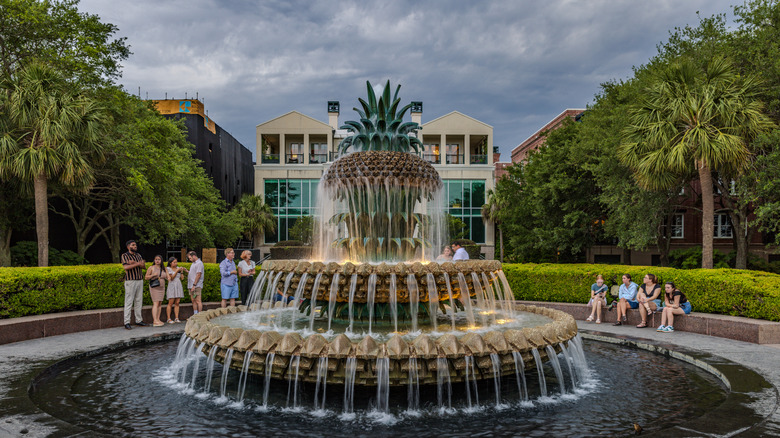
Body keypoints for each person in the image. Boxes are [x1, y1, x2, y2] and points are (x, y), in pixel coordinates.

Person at [121, 240, 147, 330]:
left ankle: (139, 320)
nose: (135, 246)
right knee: (129, 301)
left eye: (135, 245)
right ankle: (126, 322)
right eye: (133, 245)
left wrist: (134, 263)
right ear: (128, 247)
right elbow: (126, 267)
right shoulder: (125, 255)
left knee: (139, 301)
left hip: (140, 280)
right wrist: (138, 264)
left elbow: (144, 266)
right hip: (130, 281)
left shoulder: (138, 255)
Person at [145, 255, 167, 327]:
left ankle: (158, 319)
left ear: (161, 261)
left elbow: (167, 277)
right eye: (156, 259)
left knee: (160, 303)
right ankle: (155, 320)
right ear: (154, 260)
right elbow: (146, 277)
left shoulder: (163, 268)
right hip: (155, 287)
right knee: (156, 302)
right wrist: (152, 275)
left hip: (162, 287)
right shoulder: (151, 268)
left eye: (159, 259)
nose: (157, 261)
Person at [166, 257, 186, 323]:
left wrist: (181, 271)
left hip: (178, 285)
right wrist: (177, 271)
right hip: (172, 285)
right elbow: (172, 278)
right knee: (171, 302)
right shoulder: (168, 269)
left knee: (177, 302)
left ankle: (176, 318)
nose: (175, 263)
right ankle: (169, 318)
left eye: (176, 262)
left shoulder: (178, 268)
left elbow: (182, 278)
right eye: (174, 262)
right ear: (170, 263)